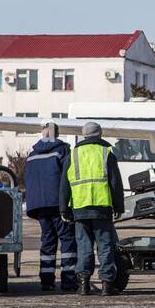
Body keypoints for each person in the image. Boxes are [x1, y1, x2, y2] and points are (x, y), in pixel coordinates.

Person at [61, 121, 125, 296]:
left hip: (80, 208)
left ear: (84, 135)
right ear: (100, 134)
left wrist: (63, 208)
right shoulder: (106, 153)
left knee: (84, 246)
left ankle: (83, 285)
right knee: (105, 246)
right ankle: (107, 285)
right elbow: (115, 183)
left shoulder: (73, 155)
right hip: (102, 208)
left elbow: (64, 185)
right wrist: (119, 205)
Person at [25, 123, 77, 292]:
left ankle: (46, 280)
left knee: (47, 240)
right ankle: (69, 280)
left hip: (38, 205)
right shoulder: (62, 151)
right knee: (67, 240)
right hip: (57, 203)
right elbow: (67, 177)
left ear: (42, 134)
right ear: (58, 134)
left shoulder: (32, 154)